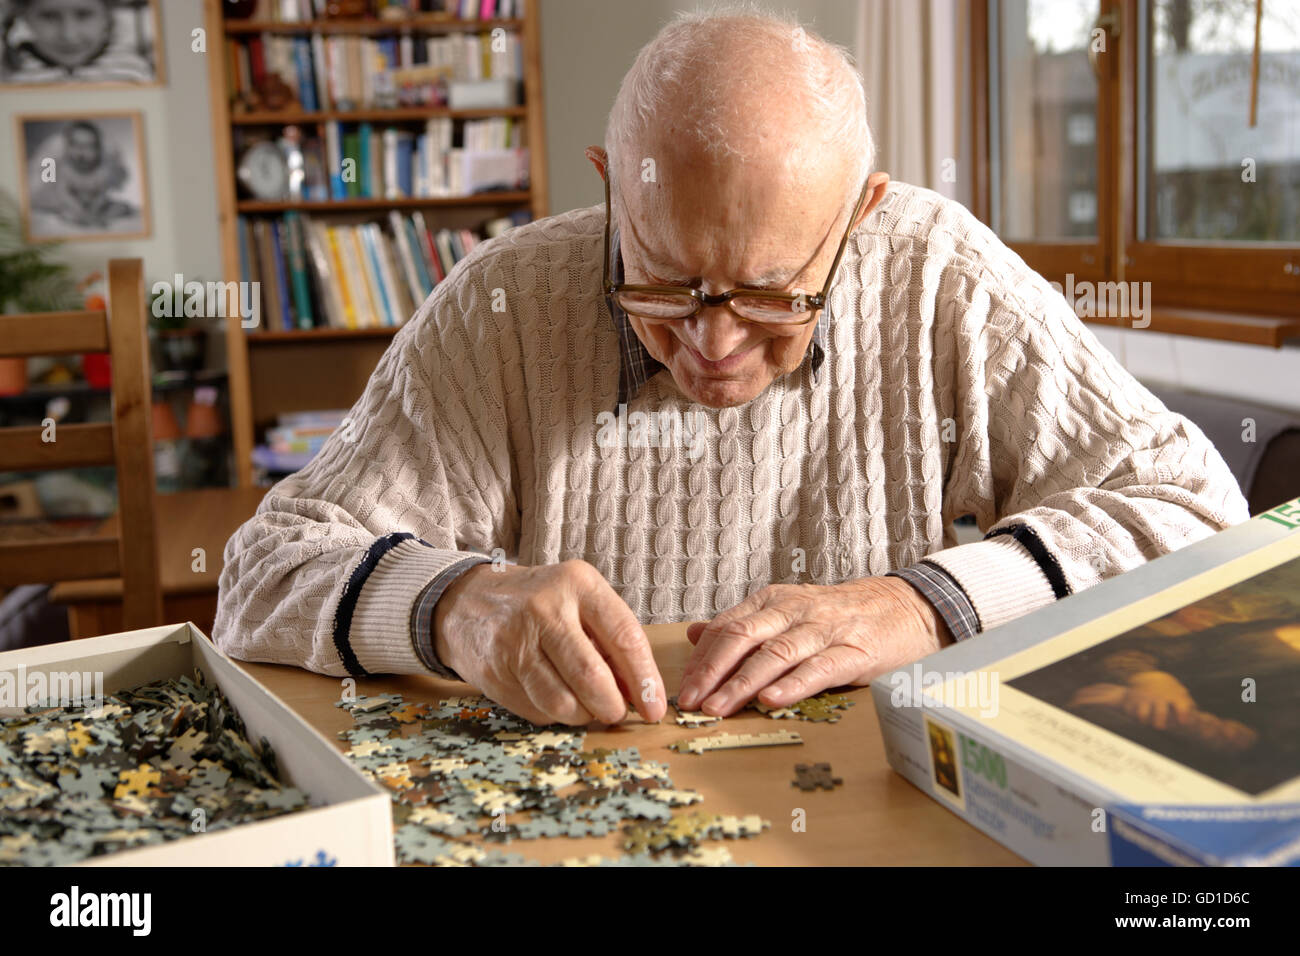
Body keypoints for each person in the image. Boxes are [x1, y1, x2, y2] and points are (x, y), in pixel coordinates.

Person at [214, 8, 1248, 728]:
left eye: (772, 295)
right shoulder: (504, 301)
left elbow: (1197, 512)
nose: (711, 346)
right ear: (611, 189)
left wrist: (924, 603)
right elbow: (261, 578)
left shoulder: (939, 271)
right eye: (663, 284)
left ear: (861, 214)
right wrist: (456, 606)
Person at [1, 0, 153, 85]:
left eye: (84, 15)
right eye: (49, 16)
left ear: (107, 16)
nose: (69, 35)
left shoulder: (133, 70)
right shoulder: (9, 73)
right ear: (25, 16)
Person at [28, 121, 135, 229]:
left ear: (99, 149)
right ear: (66, 147)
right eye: (75, 144)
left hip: (93, 205)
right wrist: (81, 215)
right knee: (65, 212)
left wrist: (94, 212)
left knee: (119, 208)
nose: (81, 152)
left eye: (89, 146)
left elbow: (101, 195)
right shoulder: (63, 168)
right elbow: (64, 195)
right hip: (65, 203)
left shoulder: (104, 169)